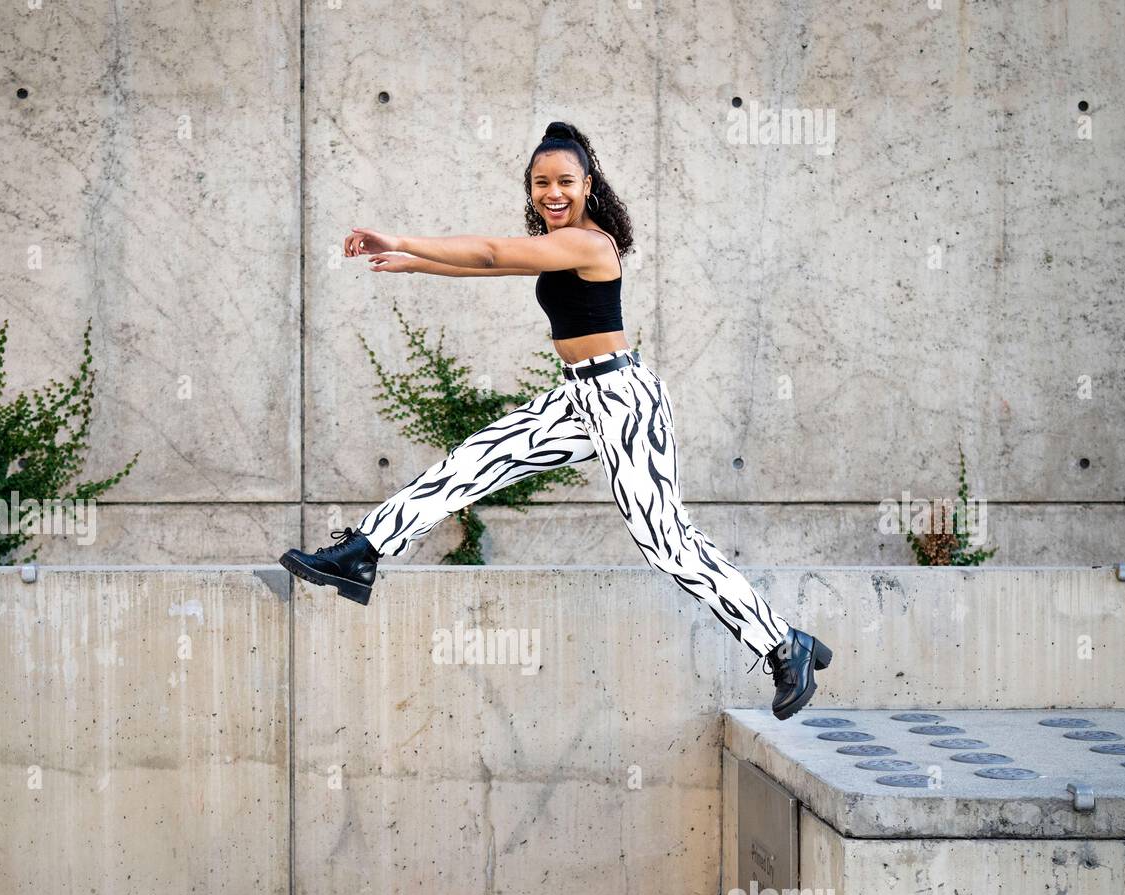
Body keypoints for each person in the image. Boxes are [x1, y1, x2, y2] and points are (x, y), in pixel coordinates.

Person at [280, 120, 833, 719]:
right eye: (541, 182)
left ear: (588, 184)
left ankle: (783, 644)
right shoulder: (559, 244)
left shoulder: (592, 244)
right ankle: (363, 551)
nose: (553, 193)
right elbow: (492, 266)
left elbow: (493, 251)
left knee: (666, 544)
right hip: (577, 399)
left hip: (623, 401)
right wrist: (411, 261)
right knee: (471, 463)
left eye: (565, 181)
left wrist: (402, 235)